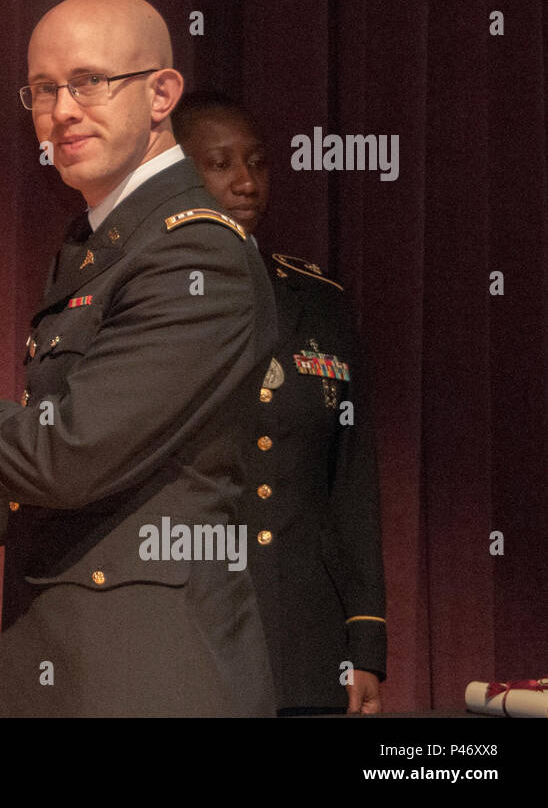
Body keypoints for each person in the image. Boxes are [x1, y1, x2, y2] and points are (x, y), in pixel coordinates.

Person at [0, 0, 278, 716]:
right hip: (82, 659)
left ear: (162, 93)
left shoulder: (195, 252)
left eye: (90, 81)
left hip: (151, 670)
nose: (62, 109)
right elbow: (96, 473)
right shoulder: (100, 242)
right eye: (43, 89)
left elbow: (74, 452)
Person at [174, 90, 387, 715]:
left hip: (306, 635)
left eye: (259, 163)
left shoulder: (320, 299)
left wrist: (366, 640)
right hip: (190, 629)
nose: (246, 182)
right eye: (220, 164)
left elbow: (351, 482)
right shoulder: (146, 302)